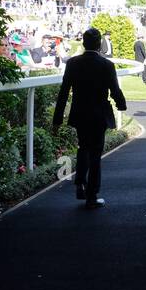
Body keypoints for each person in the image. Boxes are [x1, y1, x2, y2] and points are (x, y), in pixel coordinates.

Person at [52, 27, 128, 208]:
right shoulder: (106, 65)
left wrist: (57, 120)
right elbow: (115, 90)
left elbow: (63, 93)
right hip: (99, 113)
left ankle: (80, 182)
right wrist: (121, 105)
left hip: (79, 113)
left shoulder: (72, 63)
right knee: (95, 154)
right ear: (99, 43)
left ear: (83, 43)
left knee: (83, 147)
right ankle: (92, 196)